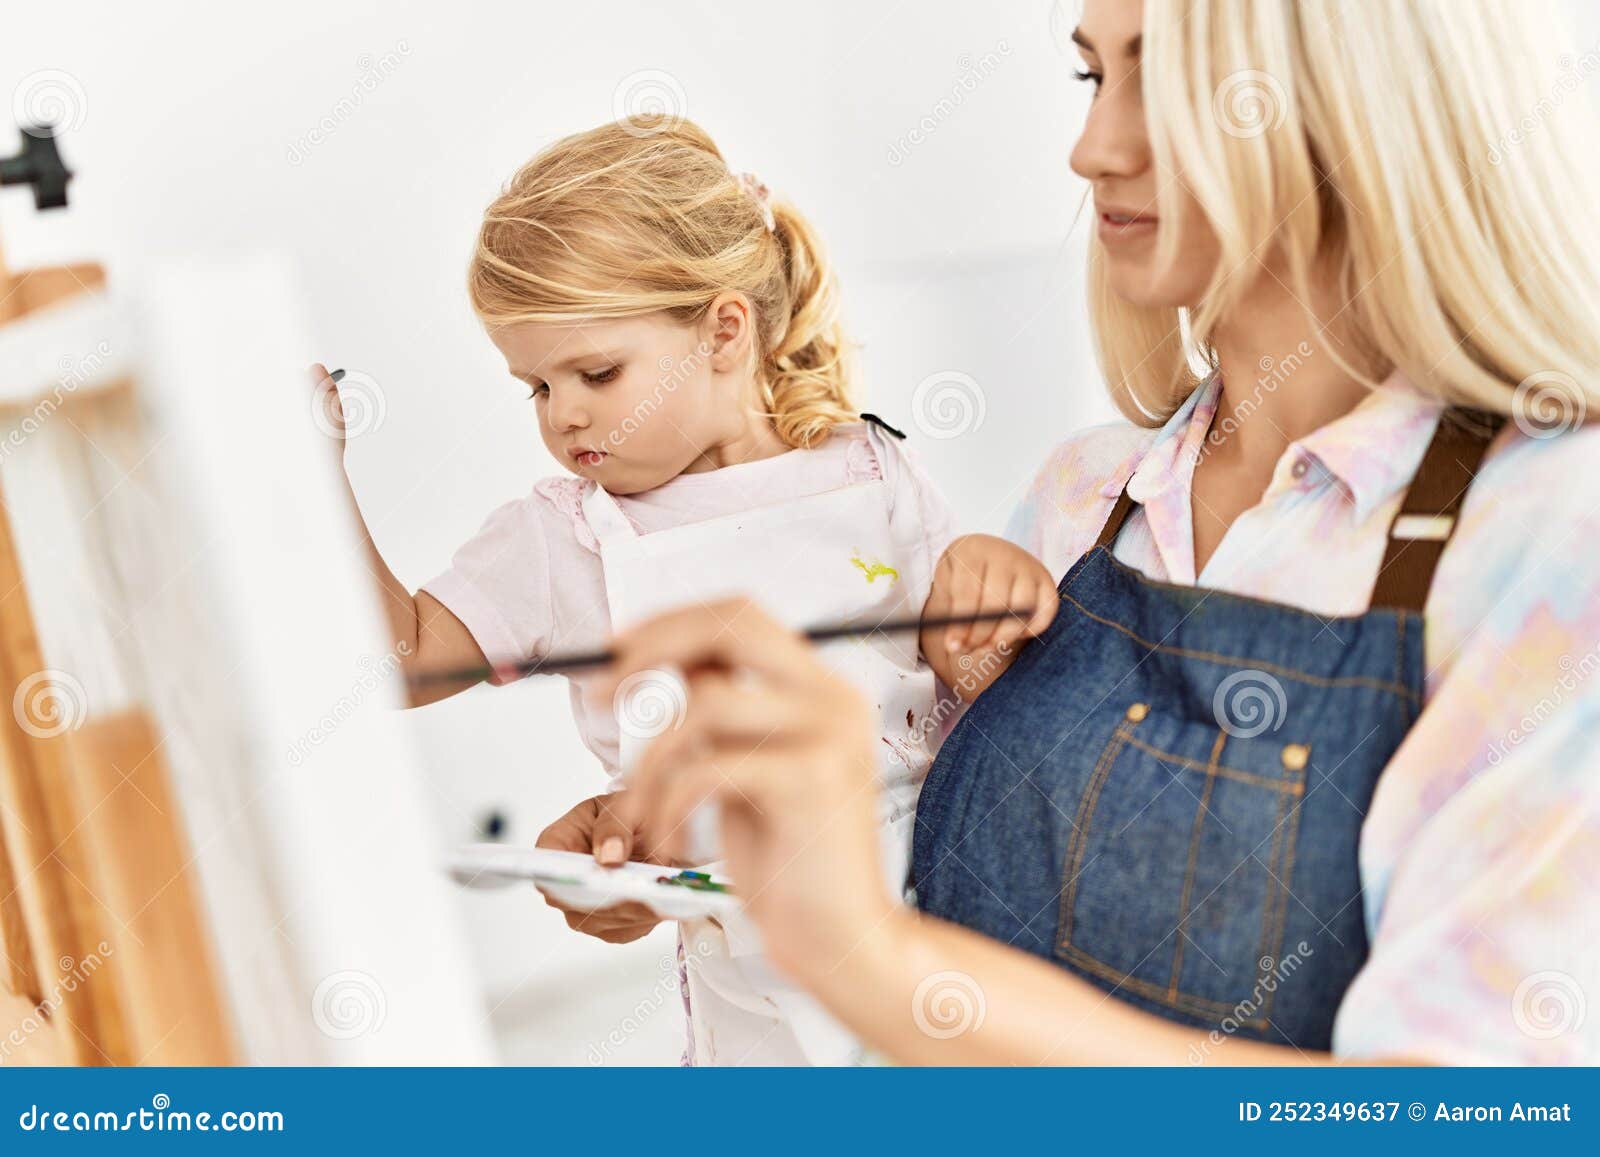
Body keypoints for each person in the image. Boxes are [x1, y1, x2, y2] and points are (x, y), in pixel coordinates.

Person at [555, 0, 1600, 1064]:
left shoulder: (1553, 536)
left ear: (1364, 107)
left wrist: (871, 962)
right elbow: (920, 866)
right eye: (1093, 79)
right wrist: (703, 841)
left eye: (1169, 85)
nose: (1092, 148)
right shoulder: (1083, 497)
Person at [310, 116, 1000, 1063]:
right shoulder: (567, 534)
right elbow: (402, 661)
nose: (566, 415)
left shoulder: (874, 469)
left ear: (724, 329)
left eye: (596, 372)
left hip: (946, 936)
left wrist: (1003, 603)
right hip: (751, 998)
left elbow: (971, 679)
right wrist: (316, 472)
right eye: (536, 388)